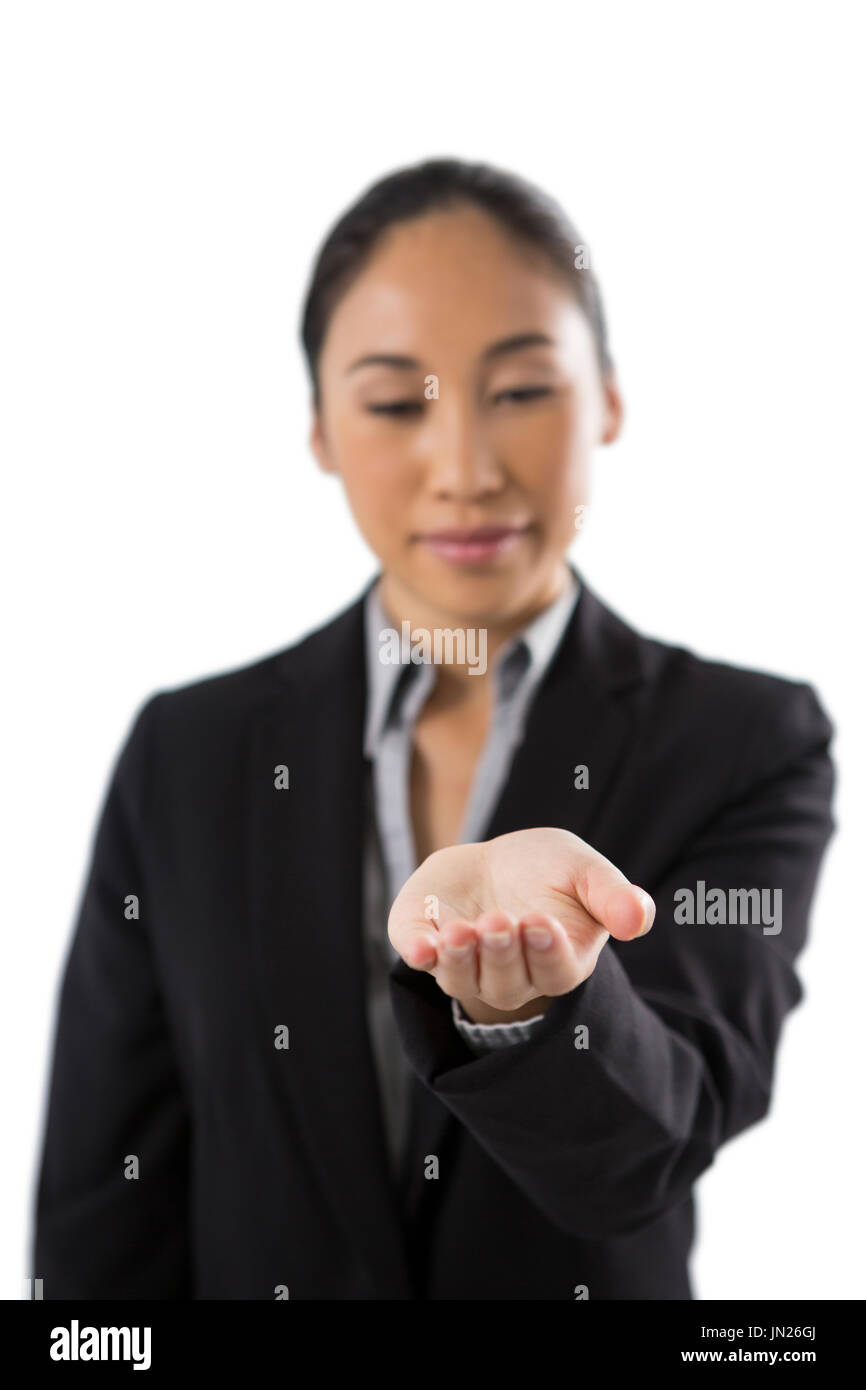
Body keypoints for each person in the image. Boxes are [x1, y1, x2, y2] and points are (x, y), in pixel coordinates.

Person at [32, 158, 835, 1300]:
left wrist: (533, 1010)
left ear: (606, 397)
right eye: (390, 398)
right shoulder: (188, 753)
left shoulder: (744, 739)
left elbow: (657, 1140)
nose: (463, 468)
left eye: (518, 391)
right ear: (317, 427)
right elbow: (105, 1203)